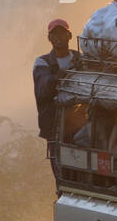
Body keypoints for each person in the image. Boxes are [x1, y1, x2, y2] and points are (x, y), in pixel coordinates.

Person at [34, 18, 82, 179]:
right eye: (54, 34)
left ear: (69, 35)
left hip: (79, 124)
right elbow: (42, 90)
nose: (59, 37)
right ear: (49, 39)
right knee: (62, 173)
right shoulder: (42, 62)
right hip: (56, 127)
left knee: (81, 167)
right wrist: (56, 78)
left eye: (62, 32)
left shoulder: (78, 58)